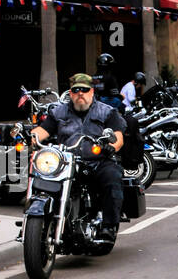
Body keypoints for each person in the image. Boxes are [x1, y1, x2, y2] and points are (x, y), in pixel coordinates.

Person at [31, 72, 125, 241]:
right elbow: (42, 131)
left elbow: (118, 137)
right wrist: (29, 137)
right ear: (71, 93)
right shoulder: (58, 112)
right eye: (76, 90)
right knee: (42, 177)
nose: (80, 93)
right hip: (66, 162)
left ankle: (109, 226)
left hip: (98, 161)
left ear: (92, 92)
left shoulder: (107, 112)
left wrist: (111, 147)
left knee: (112, 178)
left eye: (84, 89)